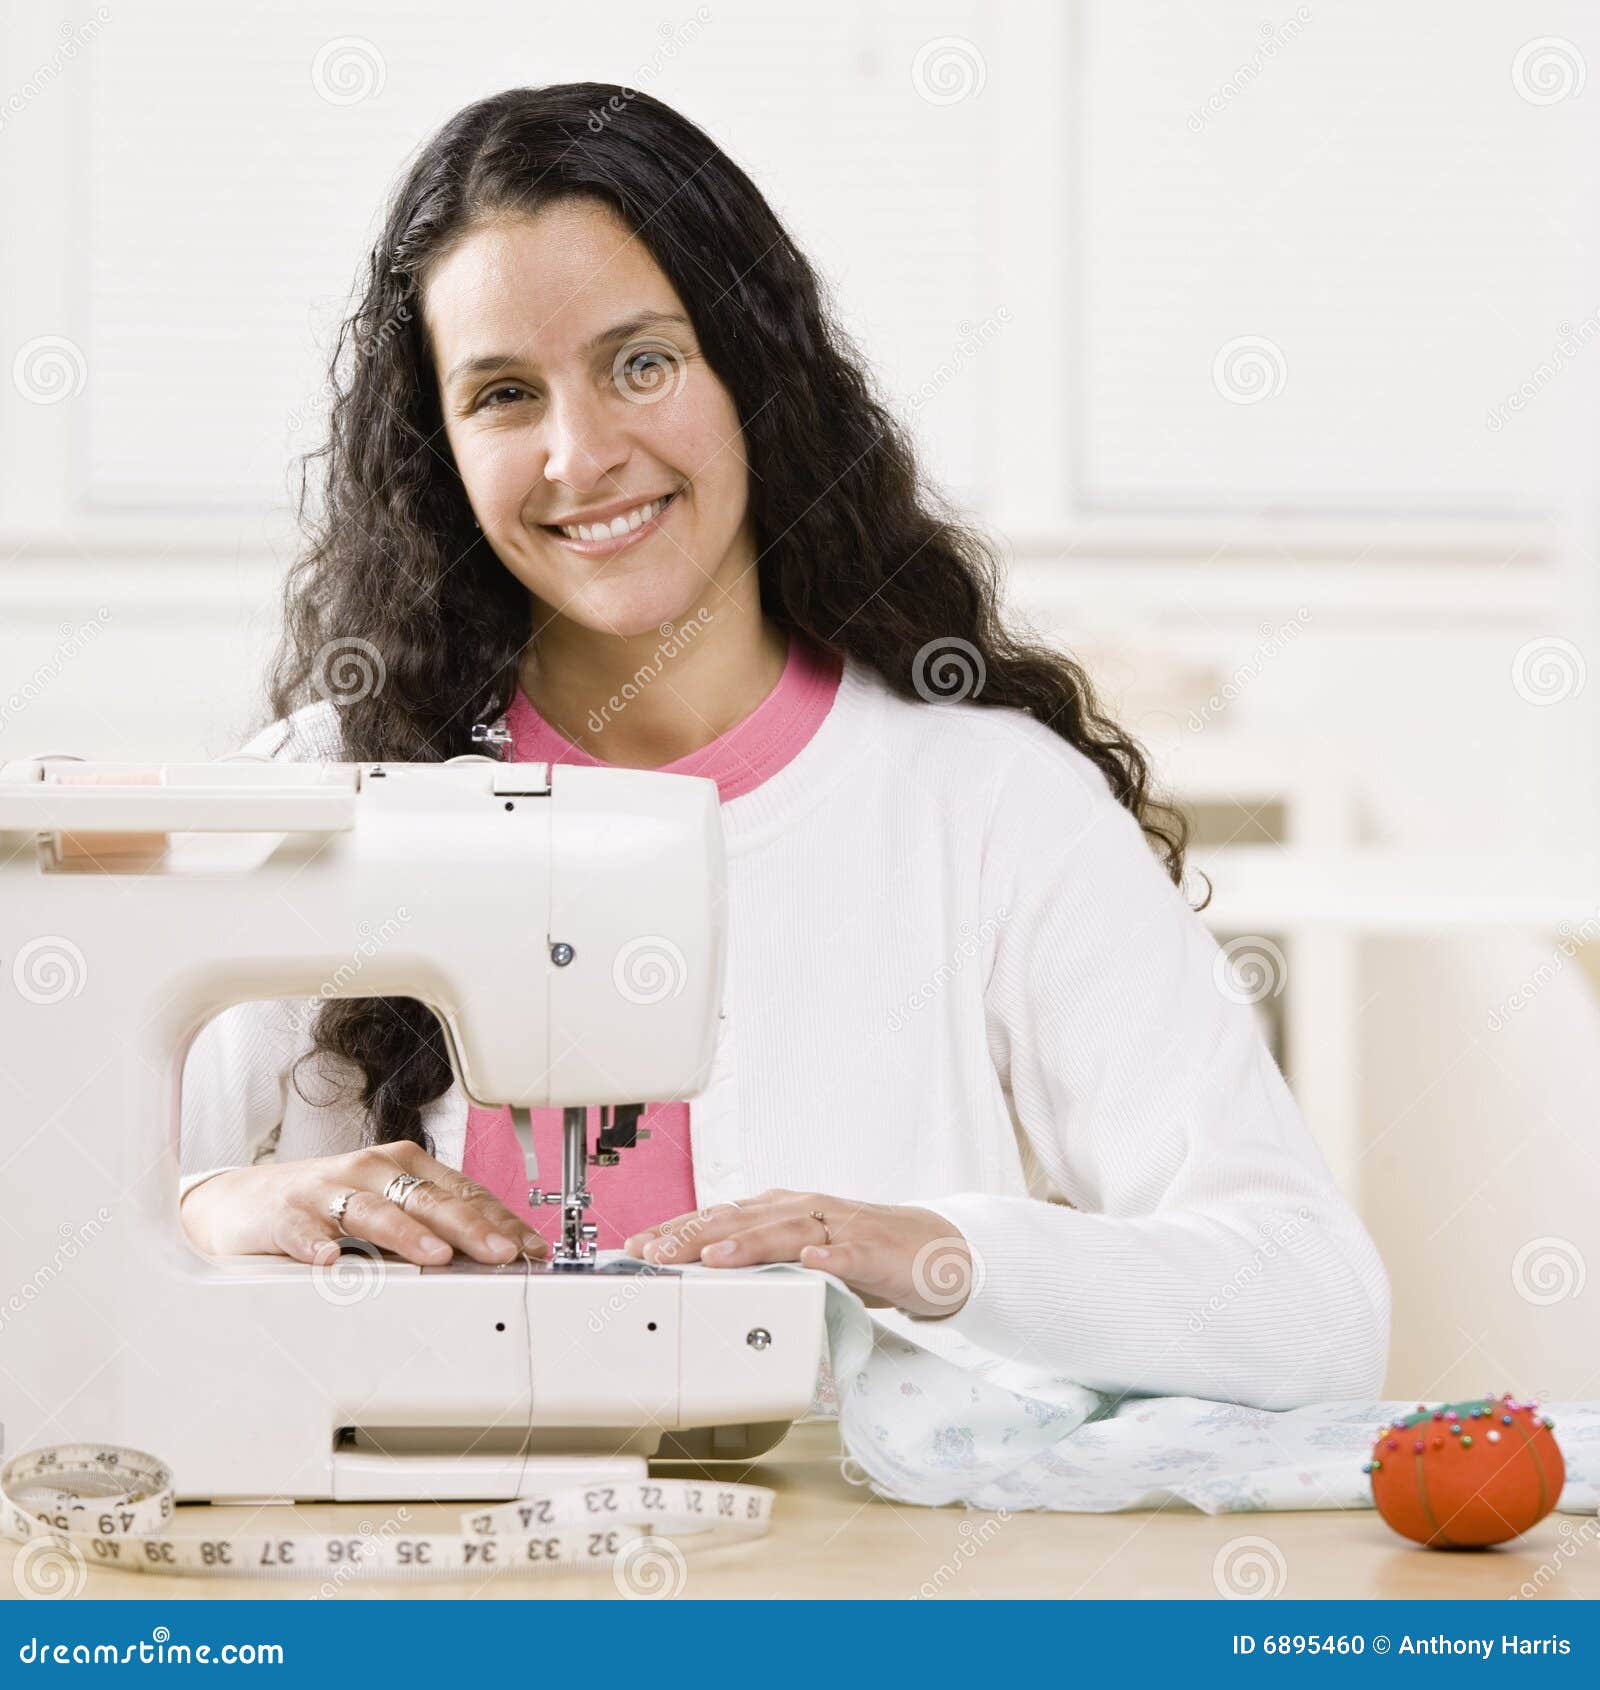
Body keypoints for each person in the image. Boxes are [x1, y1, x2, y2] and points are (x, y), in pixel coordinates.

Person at [179, 83, 1388, 1409]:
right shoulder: (320, 800)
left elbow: (1316, 1308)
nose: (581, 454)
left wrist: (928, 1254)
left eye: (642, 361)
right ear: (441, 450)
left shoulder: (988, 808)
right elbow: (57, 1242)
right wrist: (208, 1208)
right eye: (506, 393)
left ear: (753, 368)